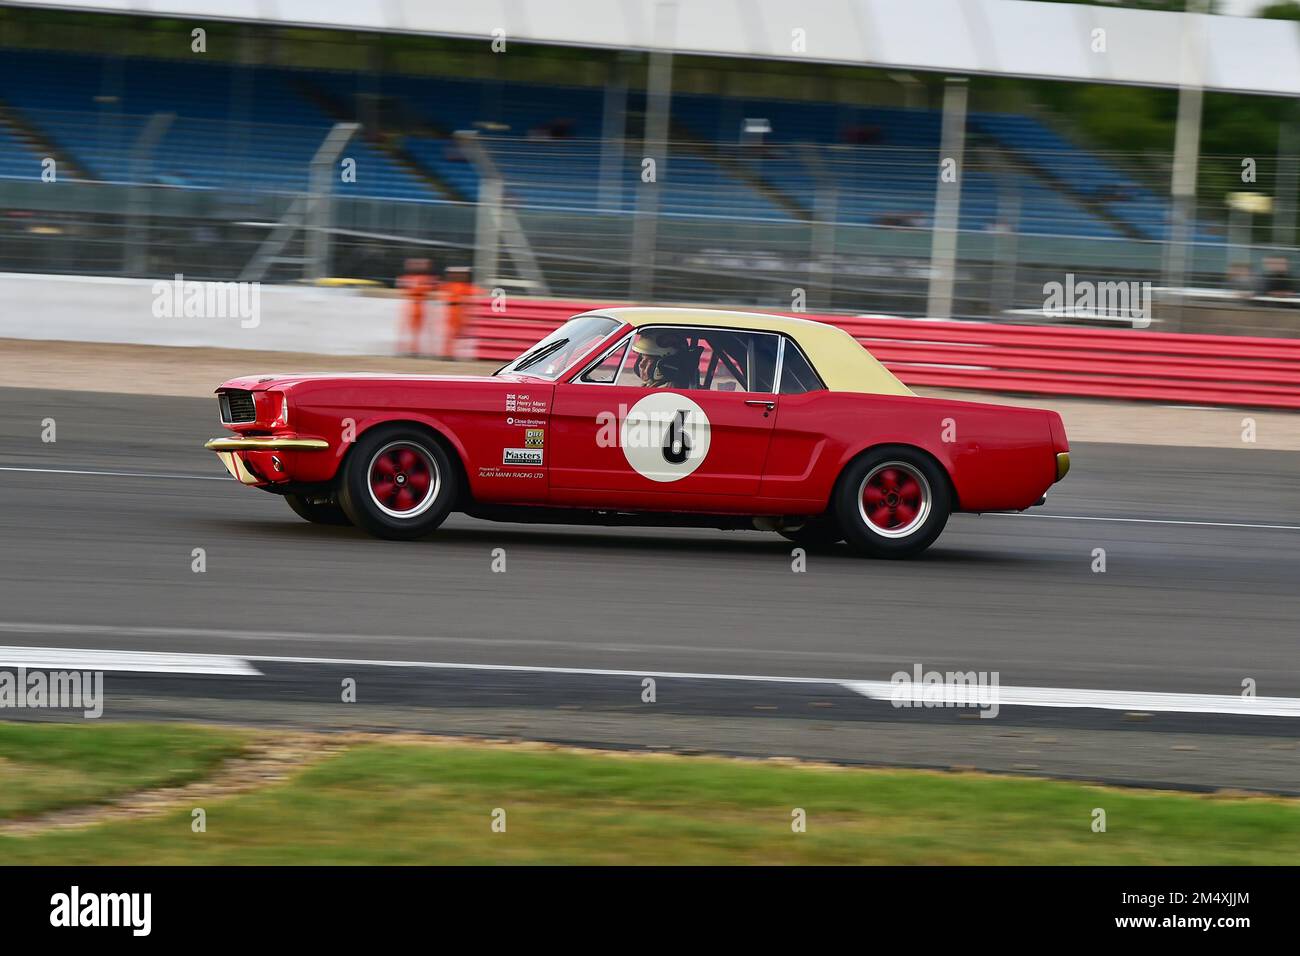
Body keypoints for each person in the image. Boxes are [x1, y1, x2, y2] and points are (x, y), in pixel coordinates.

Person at [438, 266, 482, 359]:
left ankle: (450, 353)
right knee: (450, 333)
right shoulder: (450, 285)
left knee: (455, 334)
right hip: (453, 309)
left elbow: (478, 291)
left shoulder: (463, 286)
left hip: (458, 309)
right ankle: (447, 354)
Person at [396, 258, 437, 356]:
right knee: (408, 328)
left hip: (418, 304)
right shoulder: (411, 278)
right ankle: (408, 349)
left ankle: (414, 349)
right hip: (414, 303)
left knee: (416, 330)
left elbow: (429, 288)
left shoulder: (422, 278)